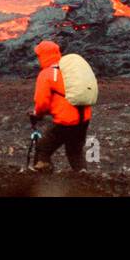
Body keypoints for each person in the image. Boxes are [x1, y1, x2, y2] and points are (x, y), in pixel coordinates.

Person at [30, 40, 91, 171]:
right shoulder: (70, 70)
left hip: (66, 121)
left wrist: (37, 114)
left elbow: (42, 102)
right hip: (84, 118)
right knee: (75, 152)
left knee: (43, 148)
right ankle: (84, 178)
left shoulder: (46, 74)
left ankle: (42, 180)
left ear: (43, 56)